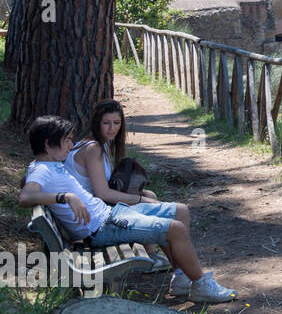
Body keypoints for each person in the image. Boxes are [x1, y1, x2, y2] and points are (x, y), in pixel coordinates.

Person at [19, 115, 235, 303]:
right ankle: (201, 286)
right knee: (176, 228)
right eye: (66, 140)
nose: (70, 145)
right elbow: (25, 196)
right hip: (103, 228)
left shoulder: (52, 164)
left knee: (180, 210)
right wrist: (64, 196)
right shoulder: (41, 170)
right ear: (48, 145)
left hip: (111, 215)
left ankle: (181, 278)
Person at [67, 99, 182, 274]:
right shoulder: (92, 148)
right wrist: (140, 199)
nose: (112, 128)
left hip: (93, 208)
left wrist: (142, 195)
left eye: (116, 123)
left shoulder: (100, 144)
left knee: (149, 195)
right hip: (92, 216)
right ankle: (157, 258)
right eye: (106, 123)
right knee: (150, 201)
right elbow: (103, 193)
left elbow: (109, 184)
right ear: (96, 123)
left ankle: (153, 255)